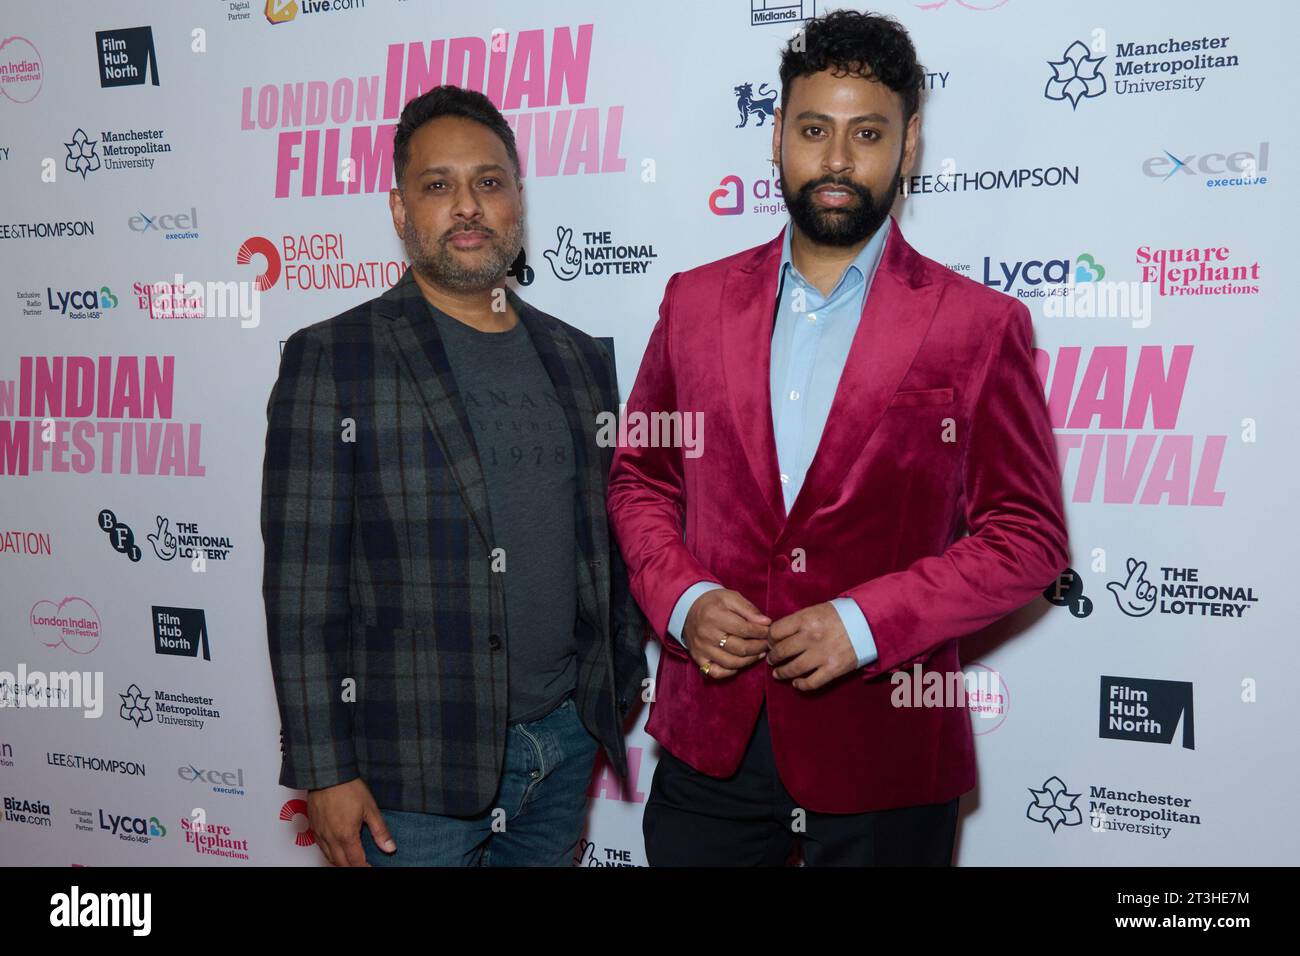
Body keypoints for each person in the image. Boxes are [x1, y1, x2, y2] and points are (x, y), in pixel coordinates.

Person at [607, 10, 1070, 866]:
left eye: (868, 133)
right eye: (815, 130)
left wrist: (864, 624)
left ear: (910, 142)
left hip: (886, 753)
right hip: (712, 742)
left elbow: (1029, 537)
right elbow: (641, 479)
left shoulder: (979, 325)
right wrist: (682, 600)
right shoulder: (693, 303)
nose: (838, 159)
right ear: (778, 134)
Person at [261, 85, 647, 867]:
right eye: (439, 185)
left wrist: (618, 670)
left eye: (489, 181)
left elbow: (608, 534)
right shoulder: (334, 357)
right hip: (411, 768)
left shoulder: (578, 358)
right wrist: (324, 770)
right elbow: (302, 589)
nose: (467, 205)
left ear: (517, 201)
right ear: (401, 211)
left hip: (565, 743)